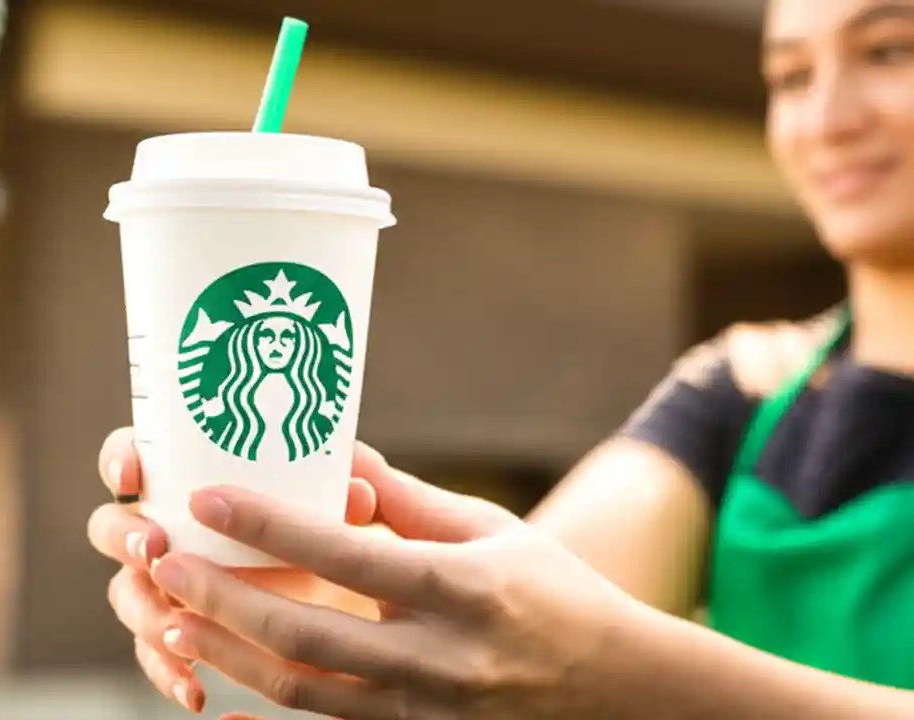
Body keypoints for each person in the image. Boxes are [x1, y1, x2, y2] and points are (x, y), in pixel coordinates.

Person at [88, 0, 914, 716]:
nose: (828, 119)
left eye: (888, 51)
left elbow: (575, 652)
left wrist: (651, 685)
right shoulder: (747, 385)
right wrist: (300, 573)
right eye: (791, 77)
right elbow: (522, 619)